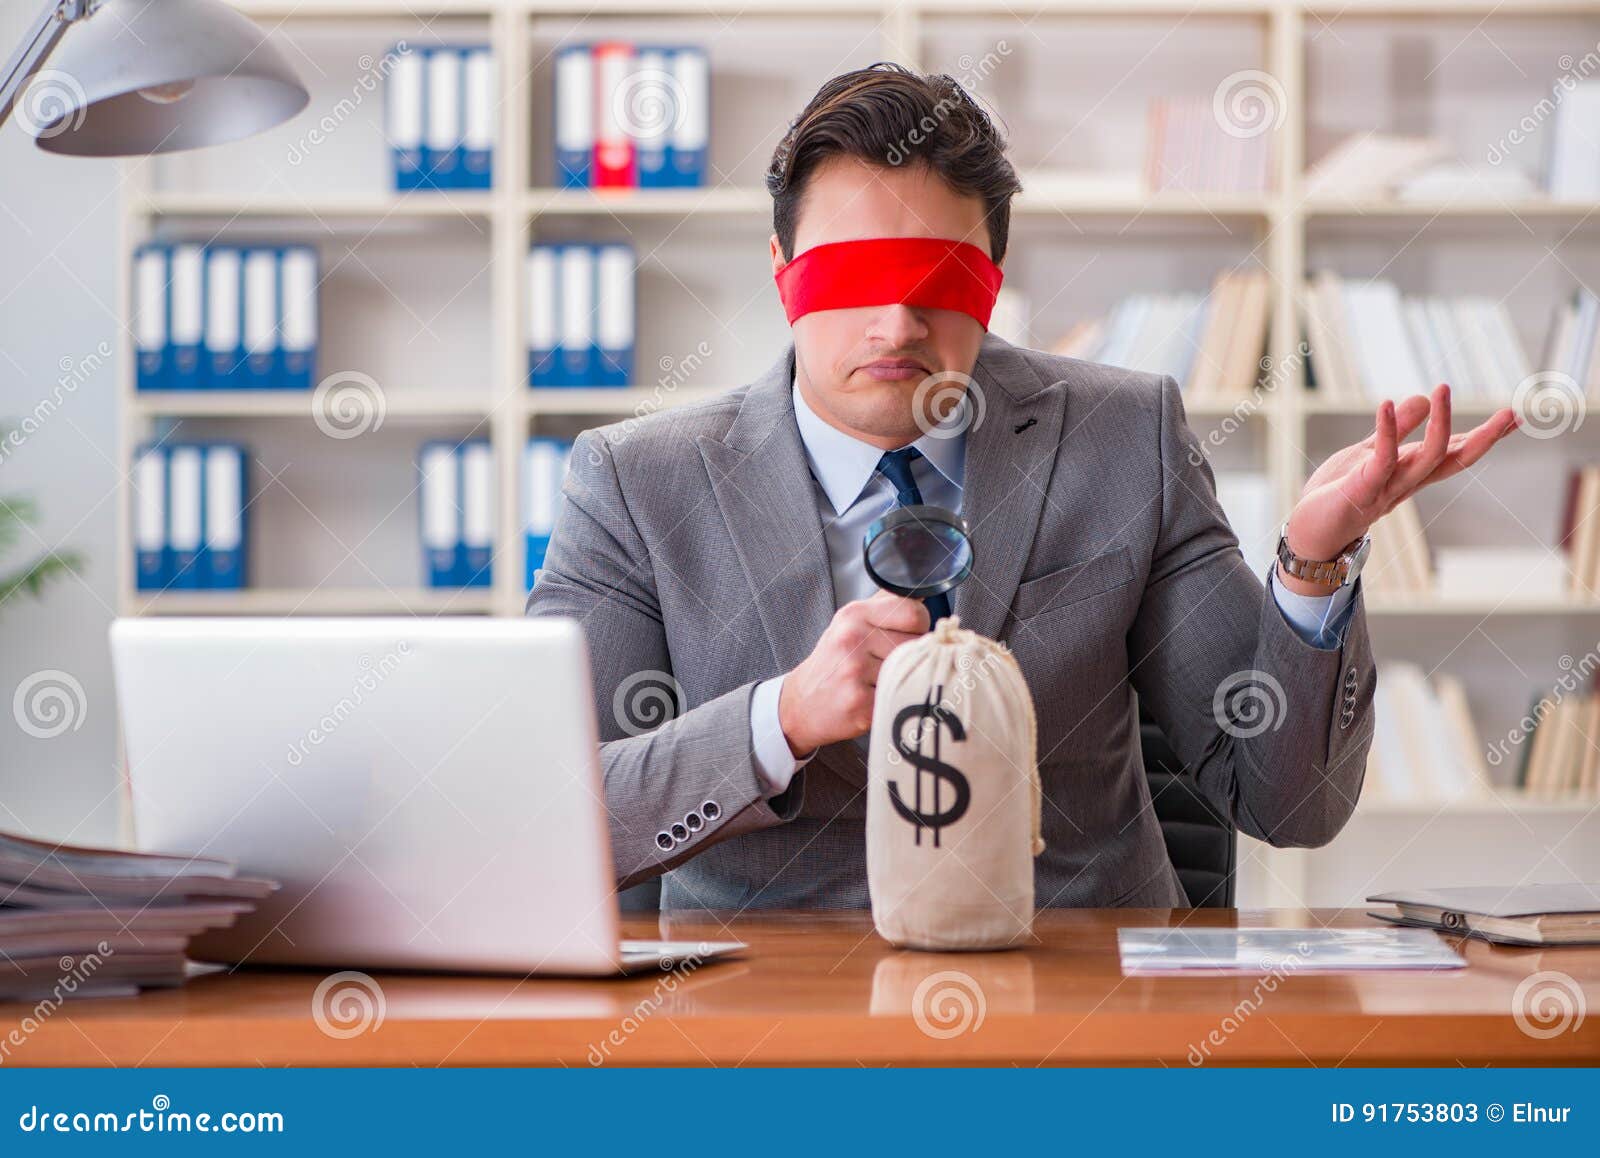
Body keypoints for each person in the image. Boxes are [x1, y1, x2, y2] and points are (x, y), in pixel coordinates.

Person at [526, 63, 1519, 910]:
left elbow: (1286, 805)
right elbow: (555, 816)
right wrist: (778, 719)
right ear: (782, 268)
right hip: (769, 1012)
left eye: (941, 279)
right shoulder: (635, 484)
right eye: (851, 277)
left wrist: (1311, 566)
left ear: (994, 278)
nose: (898, 323)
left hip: (1079, 1001)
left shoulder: (1125, 438)